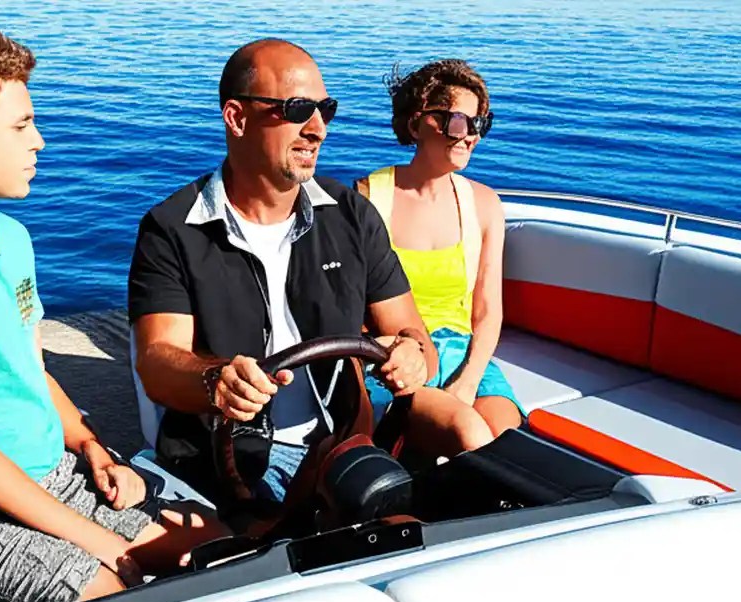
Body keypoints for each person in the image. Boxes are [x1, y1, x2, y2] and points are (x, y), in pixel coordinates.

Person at [0, 12, 224, 602]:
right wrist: (101, 543)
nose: (39, 140)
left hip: (52, 473)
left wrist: (90, 446)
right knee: (116, 598)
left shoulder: (9, 238)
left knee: (219, 549)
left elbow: (31, 370)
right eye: (21, 125)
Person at [129, 38, 437, 510]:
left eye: (325, 109)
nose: (318, 129)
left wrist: (413, 356)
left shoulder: (353, 217)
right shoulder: (172, 229)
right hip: (229, 459)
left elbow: (414, 337)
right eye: (297, 109)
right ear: (236, 118)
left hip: (345, 445)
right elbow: (157, 362)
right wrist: (217, 382)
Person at [355, 59, 524, 455]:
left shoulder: (484, 205)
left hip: (465, 356)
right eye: (457, 122)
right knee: (468, 433)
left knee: (508, 445)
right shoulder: (367, 199)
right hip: (394, 362)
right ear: (416, 125)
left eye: (479, 124)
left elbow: (487, 313)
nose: (470, 136)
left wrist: (467, 381)